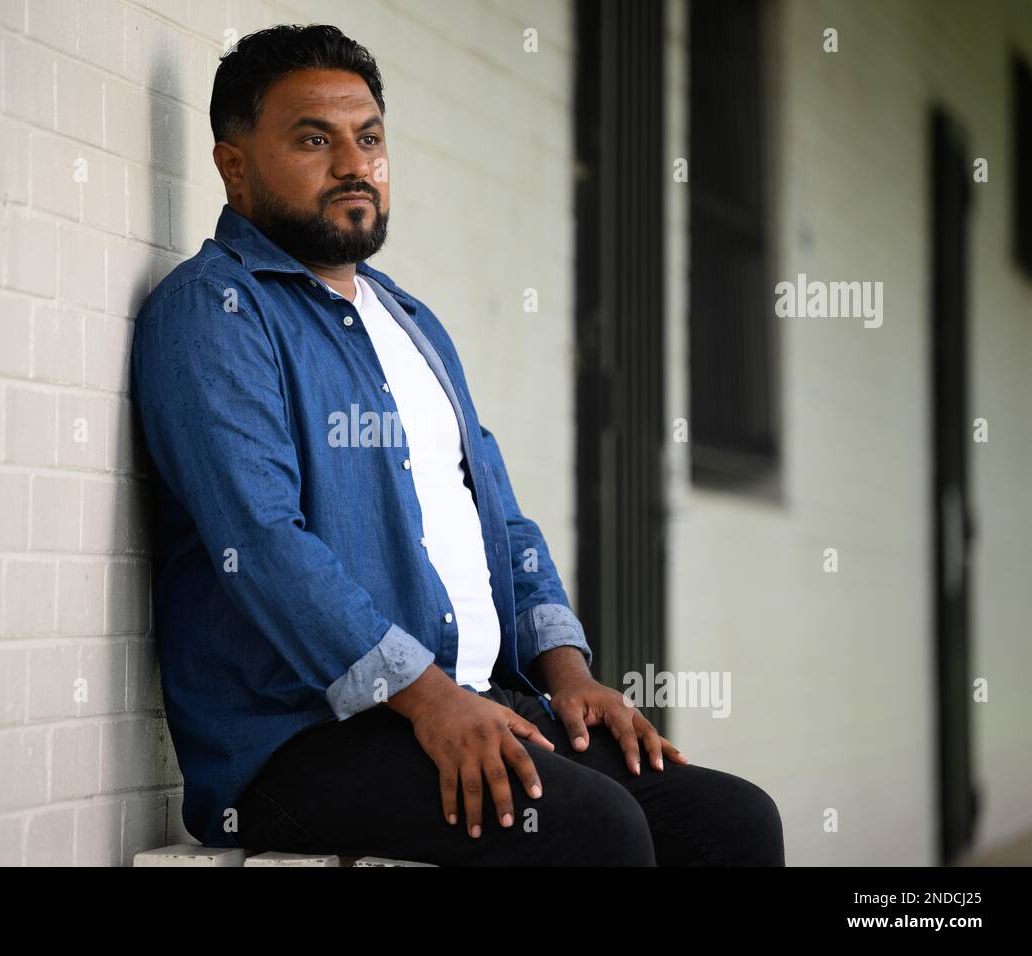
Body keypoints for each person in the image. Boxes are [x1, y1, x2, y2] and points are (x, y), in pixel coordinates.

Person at [129, 23, 784, 866]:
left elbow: (501, 520)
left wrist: (568, 674)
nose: (352, 164)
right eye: (313, 139)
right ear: (235, 165)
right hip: (301, 743)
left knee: (731, 821)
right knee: (594, 829)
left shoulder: (409, 320)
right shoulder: (213, 314)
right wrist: (428, 698)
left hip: (478, 702)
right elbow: (260, 544)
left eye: (369, 138)